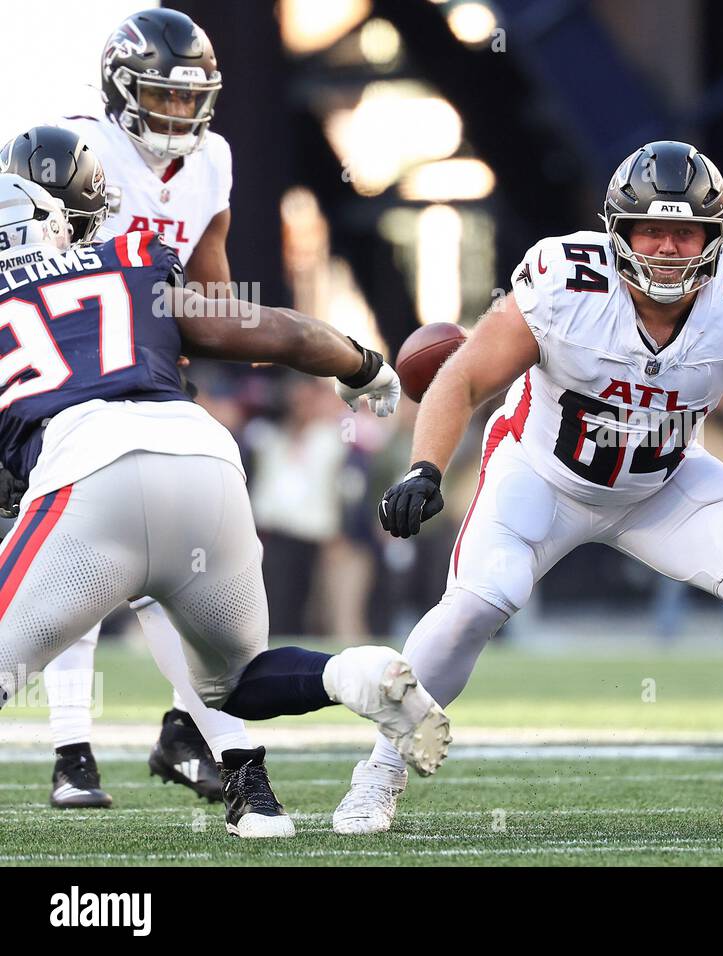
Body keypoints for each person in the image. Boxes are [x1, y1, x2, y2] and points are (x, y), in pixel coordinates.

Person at [329, 140, 723, 835]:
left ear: (714, 237)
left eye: (686, 231)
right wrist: (426, 467)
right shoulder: (565, 282)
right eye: (652, 230)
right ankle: (379, 772)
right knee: (476, 607)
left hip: (660, 483)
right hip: (541, 477)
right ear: (618, 232)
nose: (669, 248)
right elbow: (463, 375)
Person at [0, 173, 450, 838]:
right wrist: (362, 365)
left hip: (86, 471)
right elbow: (278, 333)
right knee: (235, 681)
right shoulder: (130, 262)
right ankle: (352, 674)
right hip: (201, 456)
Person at [39, 8, 245, 808]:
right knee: (79, 560)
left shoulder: (212, 158)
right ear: (121, 90)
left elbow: (211, 263)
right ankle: (70, 751)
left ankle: (187, 730)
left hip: (156, 377)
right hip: (70, 377)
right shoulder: (73, 143)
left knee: (186, 569)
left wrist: (230, 332)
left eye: (189, 99)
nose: (178, 115)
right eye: (161, 98)